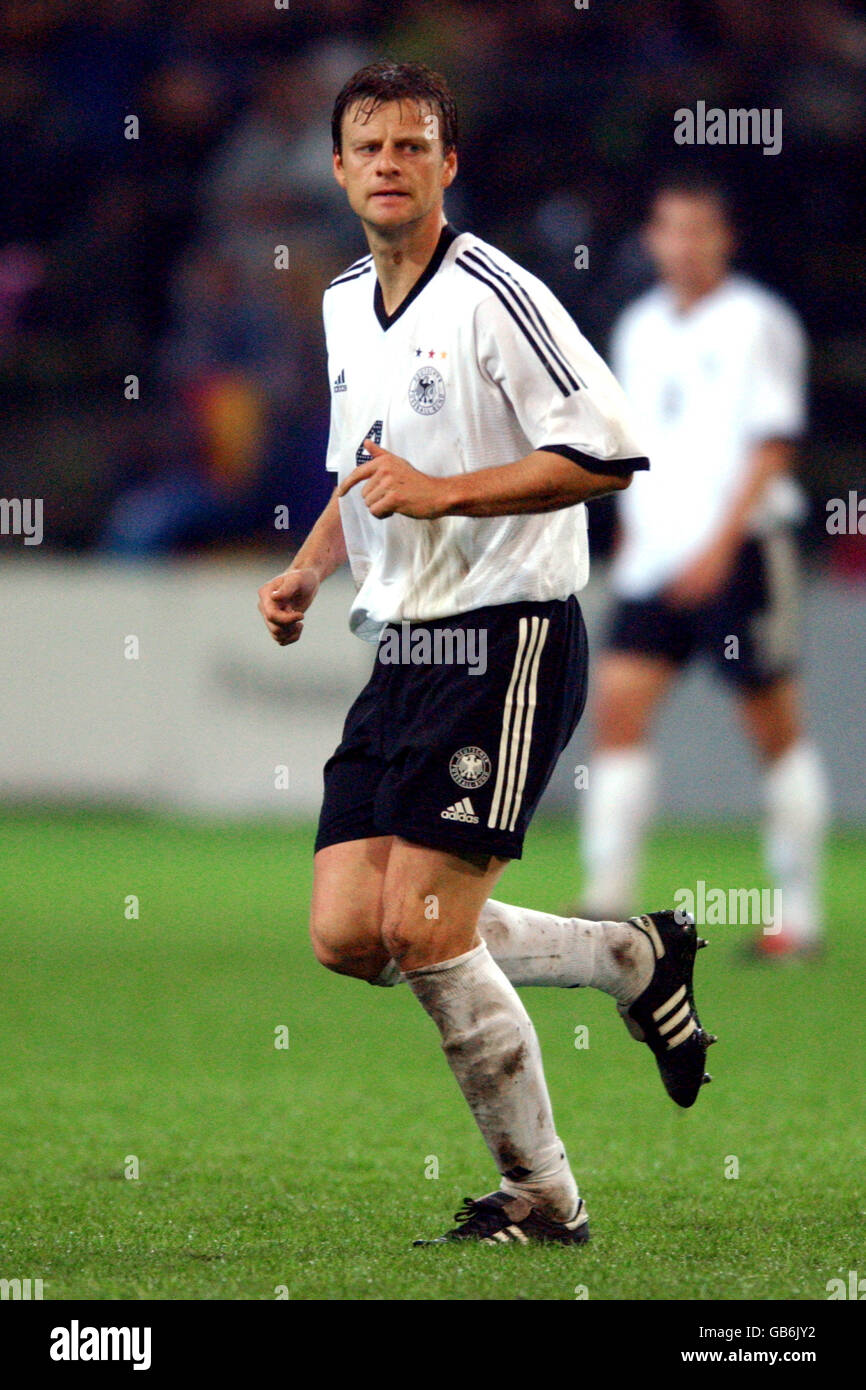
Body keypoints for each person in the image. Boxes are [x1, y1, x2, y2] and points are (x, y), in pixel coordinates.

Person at [258, 63, 715, 1248]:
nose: (390, 163)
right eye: (369, 146)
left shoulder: (497, 295)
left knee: (423, 928)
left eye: (414, 145)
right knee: (352, 932)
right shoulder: (344, 298)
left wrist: (446, 495)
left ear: (447, 165)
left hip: (505, 636)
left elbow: (607, 454)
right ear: (340, 169)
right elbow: (366, 473)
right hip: (400, 643)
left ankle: (542, 1199)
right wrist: (313, 565)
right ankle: (628, 953)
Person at [580, 175, 830, 959]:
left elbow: (774, 443)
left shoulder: (759, 322)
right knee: (618, 709)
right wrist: (630, 532)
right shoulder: (639, 327)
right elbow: (632, 444)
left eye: (698, 231)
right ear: (652, 239)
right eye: (669, 230)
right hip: (655, 560)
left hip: (744, 551)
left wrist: (719, 548)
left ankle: (799, 913)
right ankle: (609, 896)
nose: (683, 245)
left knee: (770, 725)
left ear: (723, 239)